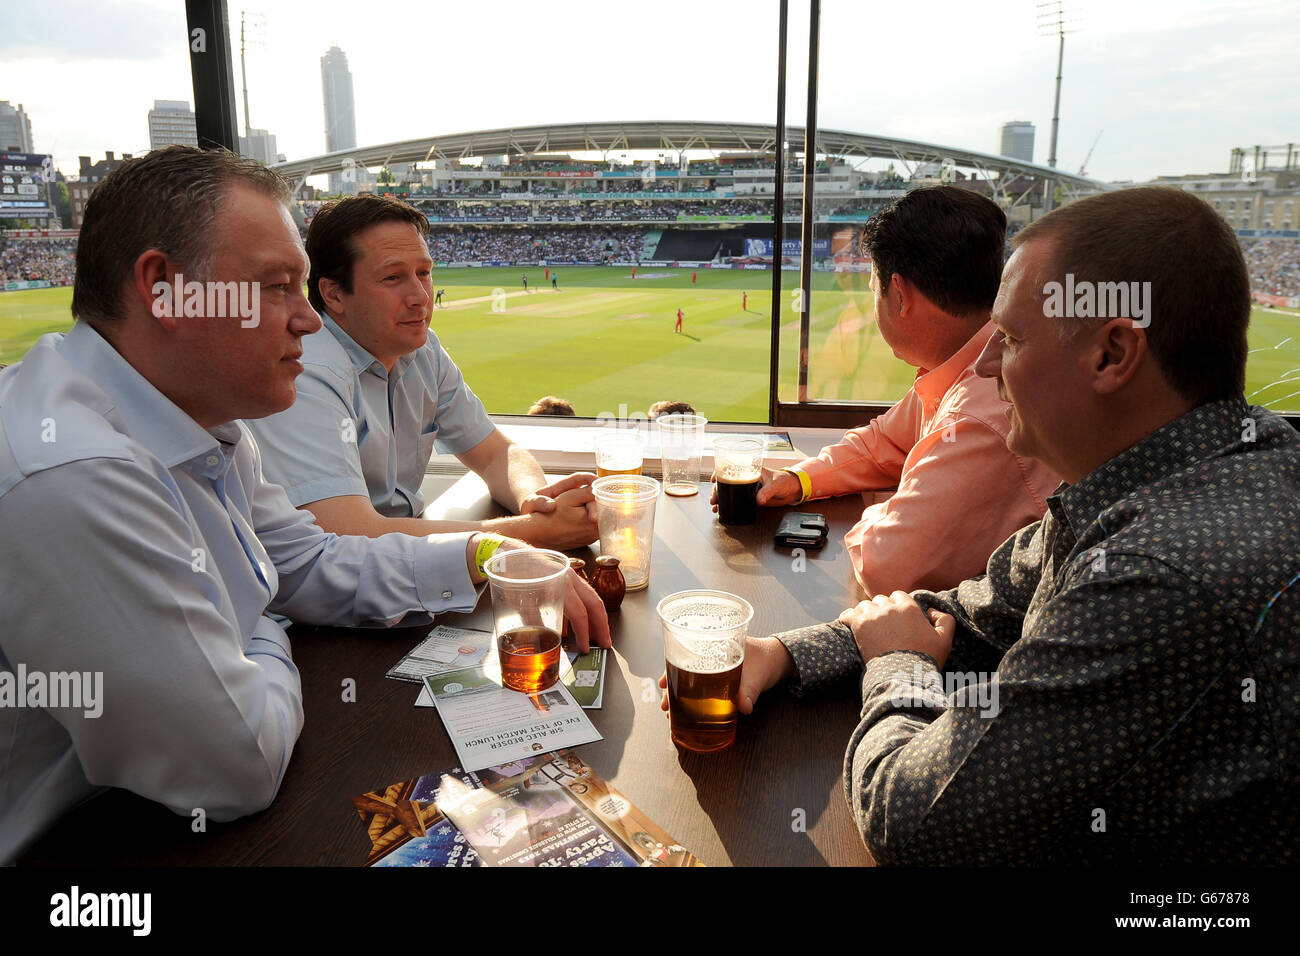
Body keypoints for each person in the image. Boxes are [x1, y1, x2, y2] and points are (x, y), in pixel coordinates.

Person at [0, 147, 611, 864]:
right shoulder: (69, 472)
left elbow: (305, 560)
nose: (310, 321)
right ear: (165, 290)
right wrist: (263, 617)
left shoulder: (207, 418)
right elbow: (233, 767)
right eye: (275, 287)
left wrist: (483, 552)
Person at [710, 186, 1300, 864]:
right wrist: (785, 655)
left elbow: (913, 823)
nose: (986, 364)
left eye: (1012, 339)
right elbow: (978, 608)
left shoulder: (1164, 574)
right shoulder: (1172, 475)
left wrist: (899, 666)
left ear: (1112, 354)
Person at [724, 186, 1059, 596]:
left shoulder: (978, 415)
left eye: (872, 288)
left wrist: (885, 504)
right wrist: (799, 479)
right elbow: (883, 442)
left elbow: (887, 564)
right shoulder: (959, 368)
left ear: (899, 294)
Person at [247, 196, 598, 550]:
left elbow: (495, 453)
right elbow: (346, 533)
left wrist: (538, 500)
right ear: (335, 295)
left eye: (424, 273)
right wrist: (532, 532)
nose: (419, 296)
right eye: (392, 277)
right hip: (335, 590)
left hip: (409, 563)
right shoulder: (305, 372)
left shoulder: (422, 350)